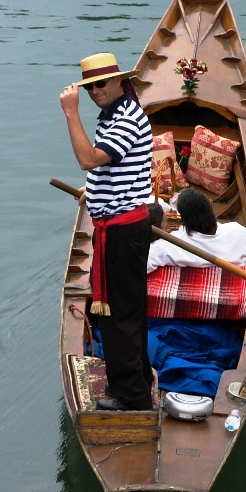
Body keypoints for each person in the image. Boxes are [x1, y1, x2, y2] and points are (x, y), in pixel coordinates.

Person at [60, 52, 154, 411]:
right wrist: (93, 189)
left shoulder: (127, 119)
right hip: (116, 227)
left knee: (120, 317)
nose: (95, 91)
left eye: (101, 84)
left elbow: (88, 159)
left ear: (119, 81)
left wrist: (71, 112)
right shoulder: (114, 112)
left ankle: (132, 397)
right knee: (125, 312)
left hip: (123, 232)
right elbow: (107, 166)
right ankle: (138, 381)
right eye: (89, 87)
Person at [147, 188, 246, 273]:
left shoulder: (168, 245)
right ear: (210, 210)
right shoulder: (239, 232)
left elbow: (142, 264)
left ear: (184, 220)